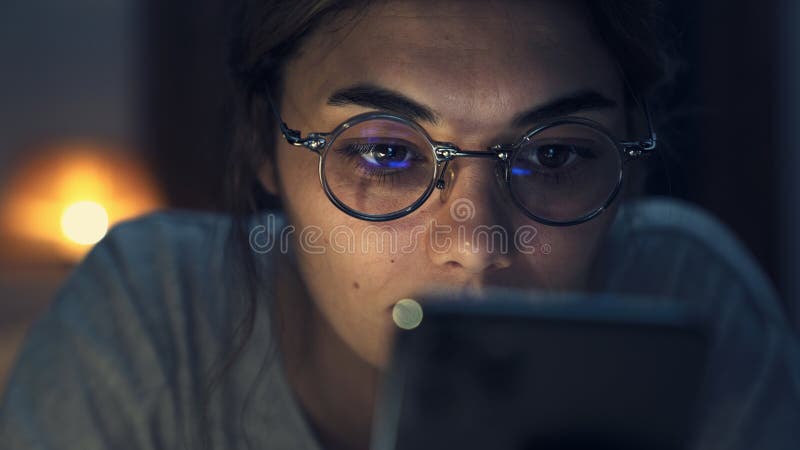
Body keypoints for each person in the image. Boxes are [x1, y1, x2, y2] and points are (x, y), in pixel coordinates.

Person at [1, 1, 798, 449]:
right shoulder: (150, 322)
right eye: (384, 153)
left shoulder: (690, 300)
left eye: (553, 155)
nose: (475, 243)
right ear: (265, 148)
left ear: (630, 164)